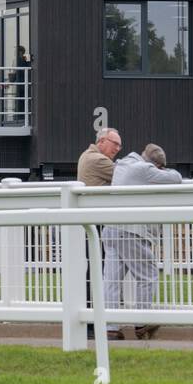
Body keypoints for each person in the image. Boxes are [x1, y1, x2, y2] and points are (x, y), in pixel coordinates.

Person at [106, 143, 182, 340]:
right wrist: (163, 172)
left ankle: (111, 328)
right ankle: (141, 322)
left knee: (112, 281)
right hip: (131, 230)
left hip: (111, 228)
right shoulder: (144, 169)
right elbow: (176, 178)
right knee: (147, 275)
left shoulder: (122, 165)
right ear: (156, 165)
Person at [77, 127, 122, 339]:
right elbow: (126, 177)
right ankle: (96, 322)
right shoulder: (99, 161)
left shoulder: (86, 156)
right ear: (103, 141)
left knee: (95, 270)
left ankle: (92, 321)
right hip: (97, 224)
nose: (118, 149)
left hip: (90, 223)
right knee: (100, 271)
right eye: (115, 144)